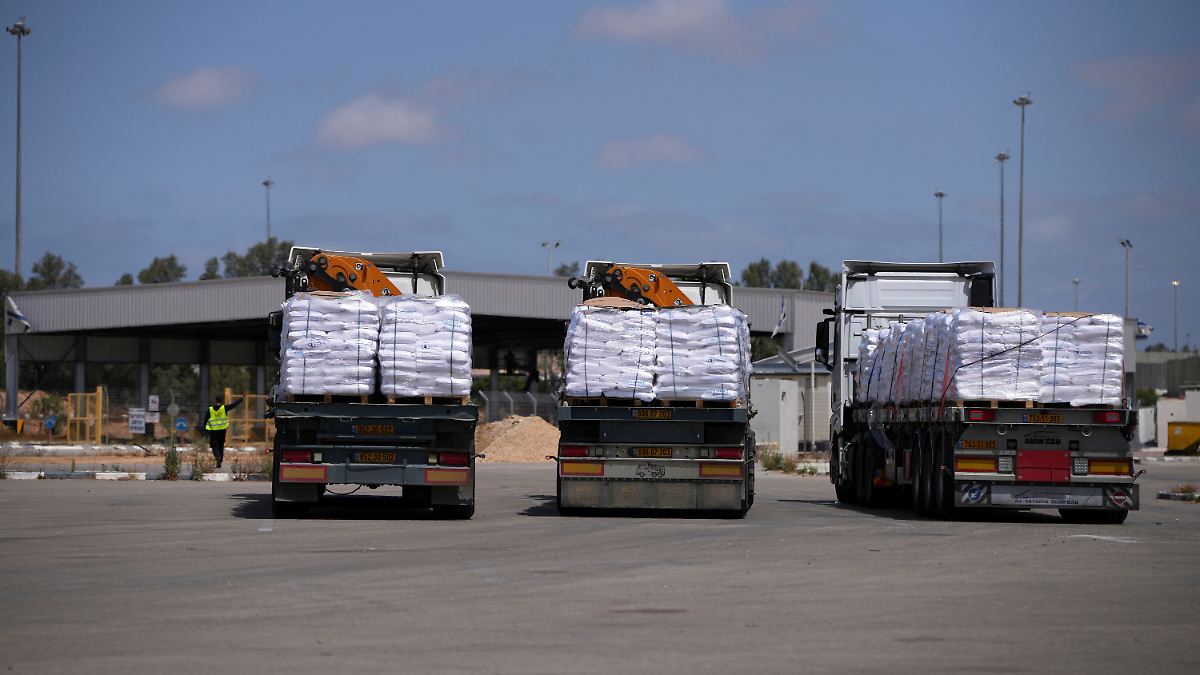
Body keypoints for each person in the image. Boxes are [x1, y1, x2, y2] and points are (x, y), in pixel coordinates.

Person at [201, 394, 244, 469]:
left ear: (215, 400)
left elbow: (205, 420)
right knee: (221, 446)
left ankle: (217, 457)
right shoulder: (224, 408)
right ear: (221, 401)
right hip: (222, 431)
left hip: (213, 431)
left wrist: (205, 430)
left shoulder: (210, 409)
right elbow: (233, 405)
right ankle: (220, 459)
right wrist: (241, 399)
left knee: (214, 446)